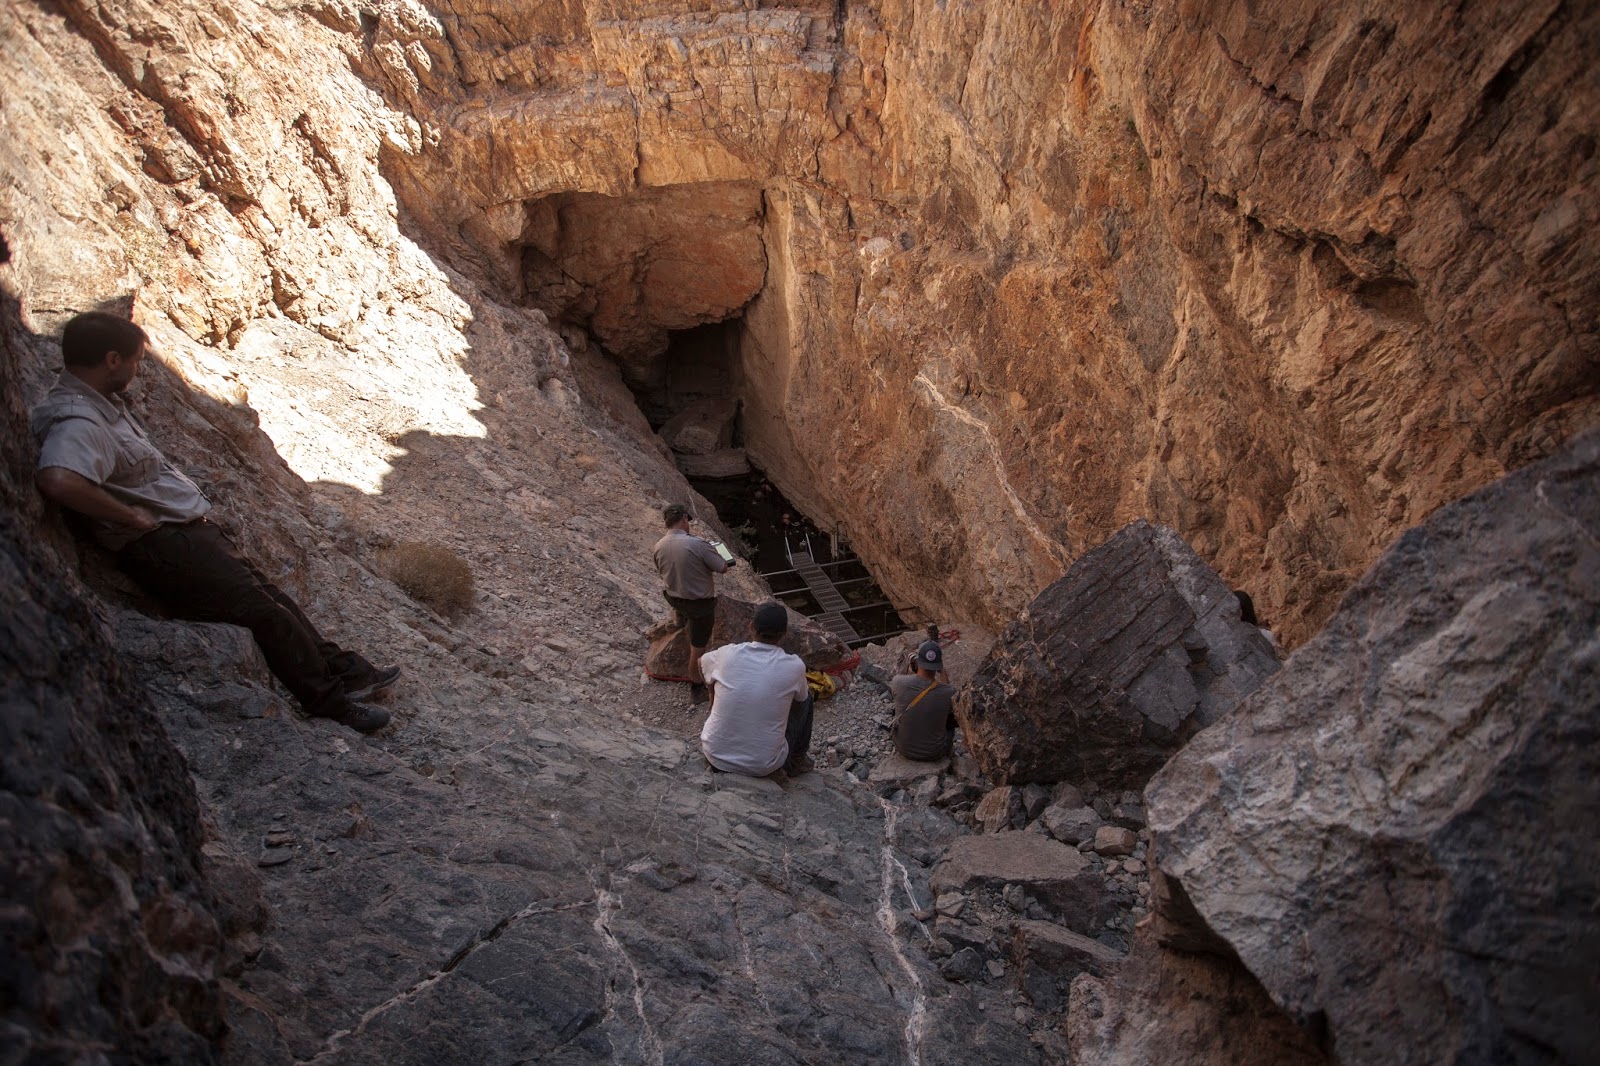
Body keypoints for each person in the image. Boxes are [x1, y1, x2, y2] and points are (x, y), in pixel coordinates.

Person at [30, 311, 399, 733]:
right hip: (158, 544)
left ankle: (344, 669)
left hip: (183, 532)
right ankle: (329, 702)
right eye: (135, 360)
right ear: (112, 359)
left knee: (272, 596)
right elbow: (58, 479)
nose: (138, 368)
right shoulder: (79, 420)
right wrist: (130, 515)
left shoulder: (100, 405)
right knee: (263, 614)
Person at [699, 602, 814, 777]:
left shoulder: (726, 654)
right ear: (784, 633)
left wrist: (711, 692)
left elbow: (701, 662)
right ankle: (797, 760)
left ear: (751, 627)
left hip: (715, 753)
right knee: (806, 700)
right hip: (764, 764)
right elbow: (801, 700)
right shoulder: (795, 666)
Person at [652, 502, 735, 695]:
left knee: (684, 613)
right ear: (683, 519)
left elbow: (662, 571)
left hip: (674, 598)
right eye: (687, 520)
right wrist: (715, 554)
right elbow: (722, 568)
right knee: (698, 648)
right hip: (699, 605)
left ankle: (680, 619)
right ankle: (697, 685)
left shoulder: (658, 546)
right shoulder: (697, 544)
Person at [890, 639, 957, 761]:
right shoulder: (949, 692)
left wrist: (910, 665)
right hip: (934, 753)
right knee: (950, 718)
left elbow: (902, 683)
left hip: (902, 748)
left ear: (918, 662)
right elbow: (950, 696)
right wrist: (943, 674)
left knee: (898, 707)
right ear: (939, 666)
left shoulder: (897, 682)